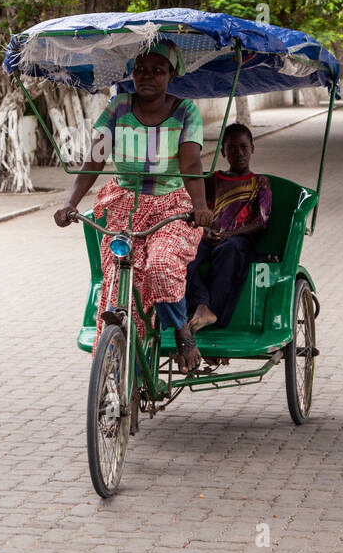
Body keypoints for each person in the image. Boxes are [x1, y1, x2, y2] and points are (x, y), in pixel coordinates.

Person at [54, 40, 214, 372]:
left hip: (171, 206)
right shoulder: (118, 107)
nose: (147, 76)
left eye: (157, 71)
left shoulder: (185, 111)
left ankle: (183, 333)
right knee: (117, 288)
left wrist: (200, 206)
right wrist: (70, 203)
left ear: (171, 75)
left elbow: (192, 164)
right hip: (125, 208)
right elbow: (95, 159)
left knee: (160, 266)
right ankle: (120, 381)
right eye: (141, 69)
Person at [185, 123, 272, 333]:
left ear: (252, 148)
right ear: (223, 151)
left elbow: (262, 221)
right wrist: (206, 231)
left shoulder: (260, 182)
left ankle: (213, 318)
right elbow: (199, 209)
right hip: (209, 237)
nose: (239, 153)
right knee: (185, 255)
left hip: (239, 240)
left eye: (243, 147)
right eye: (232, 148)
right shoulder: (212, 180)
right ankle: (202, 306)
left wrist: (229, 234)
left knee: (229, 249)